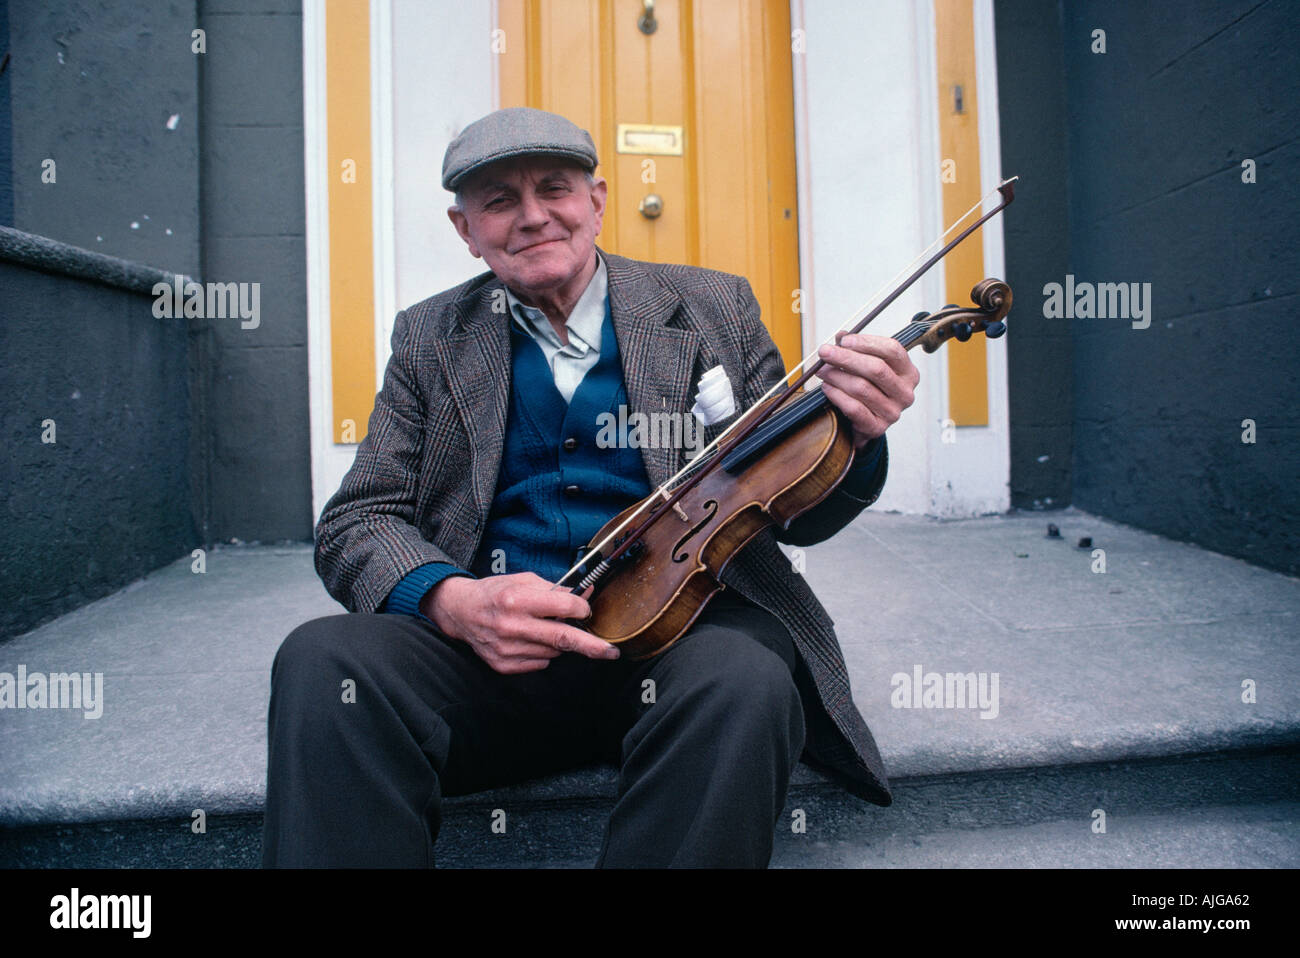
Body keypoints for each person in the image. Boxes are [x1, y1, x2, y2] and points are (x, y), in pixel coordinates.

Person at [262, 107, 919, 868]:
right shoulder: (428, 335)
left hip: (683, 642)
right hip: (497, 661)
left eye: (555, 188)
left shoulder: (713, 306)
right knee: (320, 660)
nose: (534, 216)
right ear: (464, 229)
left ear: (598, 200)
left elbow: (793, 508)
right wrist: (455, 600)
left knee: (744, 679)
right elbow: (358, 519)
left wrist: (861, 437)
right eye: (499, 200)